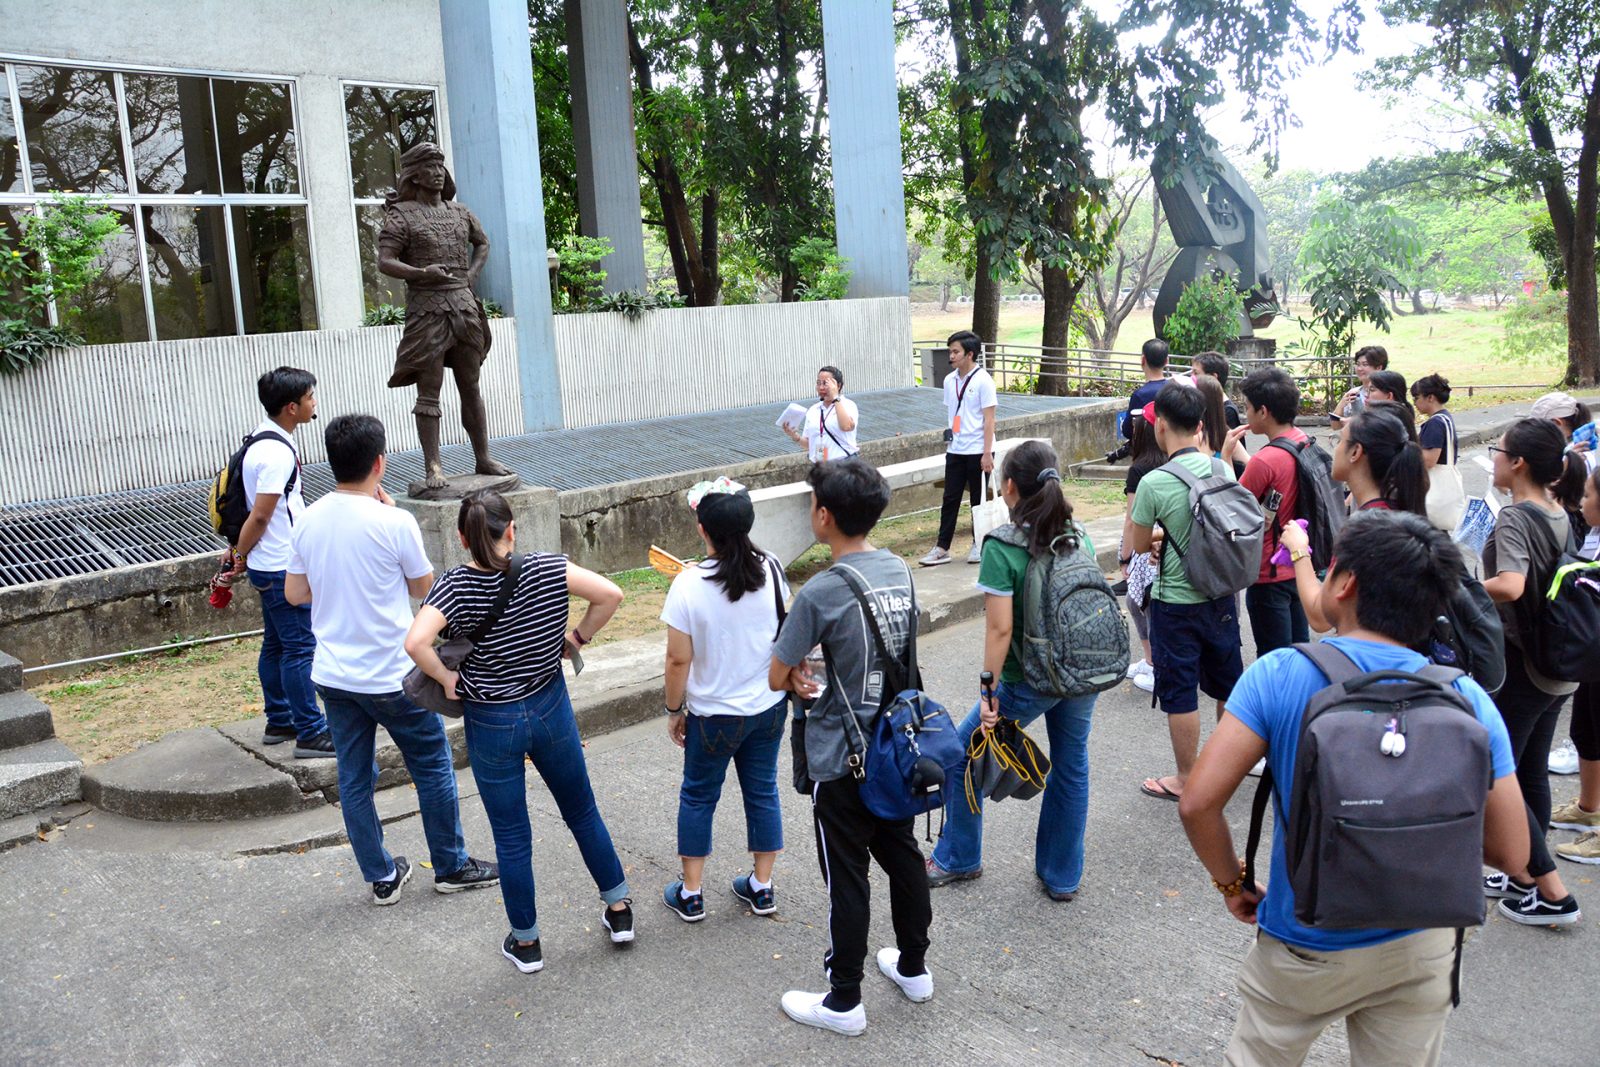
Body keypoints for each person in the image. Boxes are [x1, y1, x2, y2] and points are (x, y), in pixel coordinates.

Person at [1178, 510, 1528, 1067]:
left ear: (1344, 583)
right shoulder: (1467, 699)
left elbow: (1198, 802)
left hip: (1306, 938)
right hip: (1420, 942)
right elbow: (1512, 852)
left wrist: (1233, 883)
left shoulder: (1281, 673)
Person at [404, 490, 634, 973]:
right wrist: (577, 638)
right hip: (550, 706)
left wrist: (447, 679)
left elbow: (416, 642)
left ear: (463, 538)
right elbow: (610, 595)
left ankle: (527, 944)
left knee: (511, 837)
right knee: (583, 811)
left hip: (492, 719)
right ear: (512, 529)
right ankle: (619, 910)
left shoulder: (455, 587)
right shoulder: (549, 567)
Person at [285, 415, 499, 905]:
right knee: (431, 766)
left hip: (335, 676)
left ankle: (381, 876)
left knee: (354, 777)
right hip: (392, 675)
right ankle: (450, 864)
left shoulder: (309, 519)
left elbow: (295, 592)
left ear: (331, 462)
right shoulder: (395, 521)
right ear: (379, 463)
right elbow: (427, 591)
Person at [770, 457, 933, 1036]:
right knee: (902, 854)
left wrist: (793, 675)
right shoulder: (900, 569)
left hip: (842, 755)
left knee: (847, 876)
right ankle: (914, 967)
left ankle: (844, 1000)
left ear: (823, 516)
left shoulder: (820, 591)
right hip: (895, 748)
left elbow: (776, 673)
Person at [925, 441, 1101, 901]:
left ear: (1008, 487)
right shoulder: (1076, 533)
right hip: (1082, 669)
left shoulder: (1003, 545)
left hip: (1031, 680)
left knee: (961, 754)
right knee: (1072, 764)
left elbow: (1000, 631)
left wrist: (989, 693)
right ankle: (1062, 877)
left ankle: (958, 857)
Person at [659, 477, 788, 923]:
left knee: (697, 797)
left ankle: (691, 894)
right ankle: (762, 887)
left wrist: (674, 711)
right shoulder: (771, 567)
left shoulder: (689, 584)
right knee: (763, 790)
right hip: (768, 708)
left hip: (713, 716)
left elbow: (678, 660)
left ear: (702, 528)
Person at [1479, 419, 1585, 925]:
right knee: (1528, 770)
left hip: (1524, 665)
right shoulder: (1558, 509)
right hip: (1560, 663)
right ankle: (1519, 872)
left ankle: (1552, 892)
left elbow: (1512, 584)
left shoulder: (1516, 518)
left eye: (1499, 451)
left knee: (1498, 776)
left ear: (1517, 462)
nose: (1495, 458)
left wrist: (1463, 588)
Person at [1130, 382, 1245, 802]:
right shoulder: (1221, 469)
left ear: (1160, 426)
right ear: (1200, 426)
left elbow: (1140, 545)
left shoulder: (1154, 483)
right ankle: (1225, 766)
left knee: (1181, 693)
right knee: (1226, 685)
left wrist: (1162, 534)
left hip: (1175, 602)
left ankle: (1186, 778)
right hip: (1221, 595)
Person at [227, 366, 332, 758]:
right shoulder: (275, 453)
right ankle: (310, 731)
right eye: (310, 397)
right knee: (300, 648)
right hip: (278, 564)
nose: (314, 402)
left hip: (266, 562)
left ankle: (280, 718)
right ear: (292, 407)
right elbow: (261, 515)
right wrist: (239, 554)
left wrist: (241, 553)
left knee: (276, 644)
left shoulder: (259, 440)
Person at [1280, 406, 1427, 632]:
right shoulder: (1401, 510)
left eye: (1339, 441)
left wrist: (1299, 550)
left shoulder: (1365, 530)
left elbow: (1320, 616)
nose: (1335, 449)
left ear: (1355, 452)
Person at [1227, 367, 1312, 656]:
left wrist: (1227, 456)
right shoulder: (1303, 440)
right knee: (1300, 655)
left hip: (1268, 572)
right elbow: (1276, 480)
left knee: (1275, 662)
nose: (1245, 413)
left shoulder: (1264, 461)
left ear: (1263, 411)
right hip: (1299, 565)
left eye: (1247, 407)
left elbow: (1232, 509)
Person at [919, 331, 997, 567]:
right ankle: (942, 547)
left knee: (978, 500)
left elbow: (989, 420)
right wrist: (953, 435)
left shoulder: (984, 380)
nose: (951, 356)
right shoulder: (949, 380)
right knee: (950, 498)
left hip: (978, 450)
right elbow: (954, 413)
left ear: (970, 354)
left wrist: (986, 453)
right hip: (956, 449)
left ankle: (979, 543)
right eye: (950, 351)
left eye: (955, 352)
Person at [1554, 467, 1600, 863]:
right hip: (1594, 658)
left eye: (1588, 495)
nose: (1582, 502)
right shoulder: (1594, 537)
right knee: (1585, 731)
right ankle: (1588, 809)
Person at [1118, 406, 1165, 692]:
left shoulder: (1139, 469)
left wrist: (1124, 556)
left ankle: (1154, 664)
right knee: (1144, 604)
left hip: (1146, 543)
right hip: (1166, 541)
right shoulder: (1170, 460)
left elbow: (1132, 518)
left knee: (1141, 604)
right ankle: (1151, 661)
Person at [784, 365, 859, 462]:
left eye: (825, 383)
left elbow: (846, 426)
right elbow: (809, 444)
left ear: (838, 385)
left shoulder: (848, 405)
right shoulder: (813, 410)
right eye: (818, 383)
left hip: (844, 465)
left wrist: (835, 397)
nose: (821, 387)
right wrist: (795, 436)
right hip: (822, 467)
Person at [1123, 338, 1170, 440]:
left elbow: (1128, 430)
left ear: (1143, 360)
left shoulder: (1140, 395)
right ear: (1166, 361)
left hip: (1148, 451)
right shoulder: (1176, 388)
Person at [1329, 344, 1386, 427]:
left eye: (1365, 364)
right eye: (1358, 364)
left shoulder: (1386, 393)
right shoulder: (1354, 393)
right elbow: (1335, 426)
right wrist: (1342, 404)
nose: (1359, 369)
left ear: (1379, 367)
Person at [1411, 374, 1457, 472]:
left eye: (1416, 398)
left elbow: (1429, 460)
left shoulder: (1435, 423)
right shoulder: (1445, 417)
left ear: (1430, 397)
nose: (1414, 403)